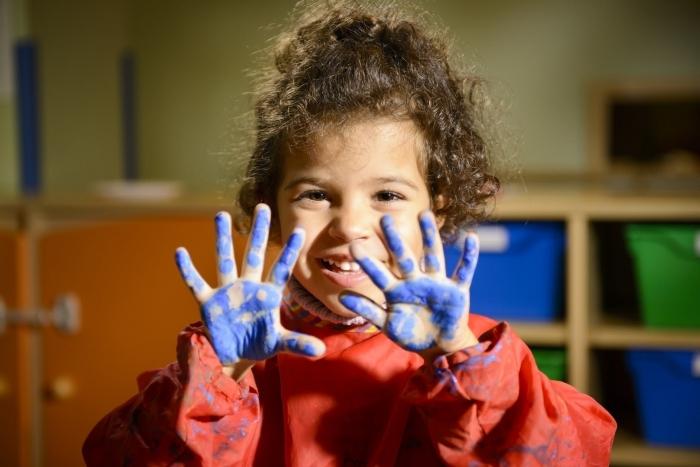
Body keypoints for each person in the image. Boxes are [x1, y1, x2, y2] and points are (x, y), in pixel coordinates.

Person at [82, 1, 616, 465]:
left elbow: (567, 454)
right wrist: (217, 374)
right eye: (315, 195)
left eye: (387, 195)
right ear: (272, 206)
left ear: (437, 205)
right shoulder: (238, 353)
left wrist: (455, 358)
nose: (351, 227)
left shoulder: (474, 355)